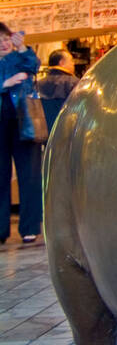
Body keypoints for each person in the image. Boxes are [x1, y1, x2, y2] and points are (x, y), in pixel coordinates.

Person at [0, 23, 43, 245]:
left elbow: (34, 65)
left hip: (24, 121)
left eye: (6, 39)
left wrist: (24, 48)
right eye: (0, 41)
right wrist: (5, 83)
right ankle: (1, 230)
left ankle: (30, 227)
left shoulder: (19, 57)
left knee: (30, 175)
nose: (4, 43)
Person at [38, 49, 79, 135]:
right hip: (67, 131)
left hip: (44, 131)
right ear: (62, 63)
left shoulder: (39, 84)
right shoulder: (74, 83)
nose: (73, 64)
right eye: (71, 60)